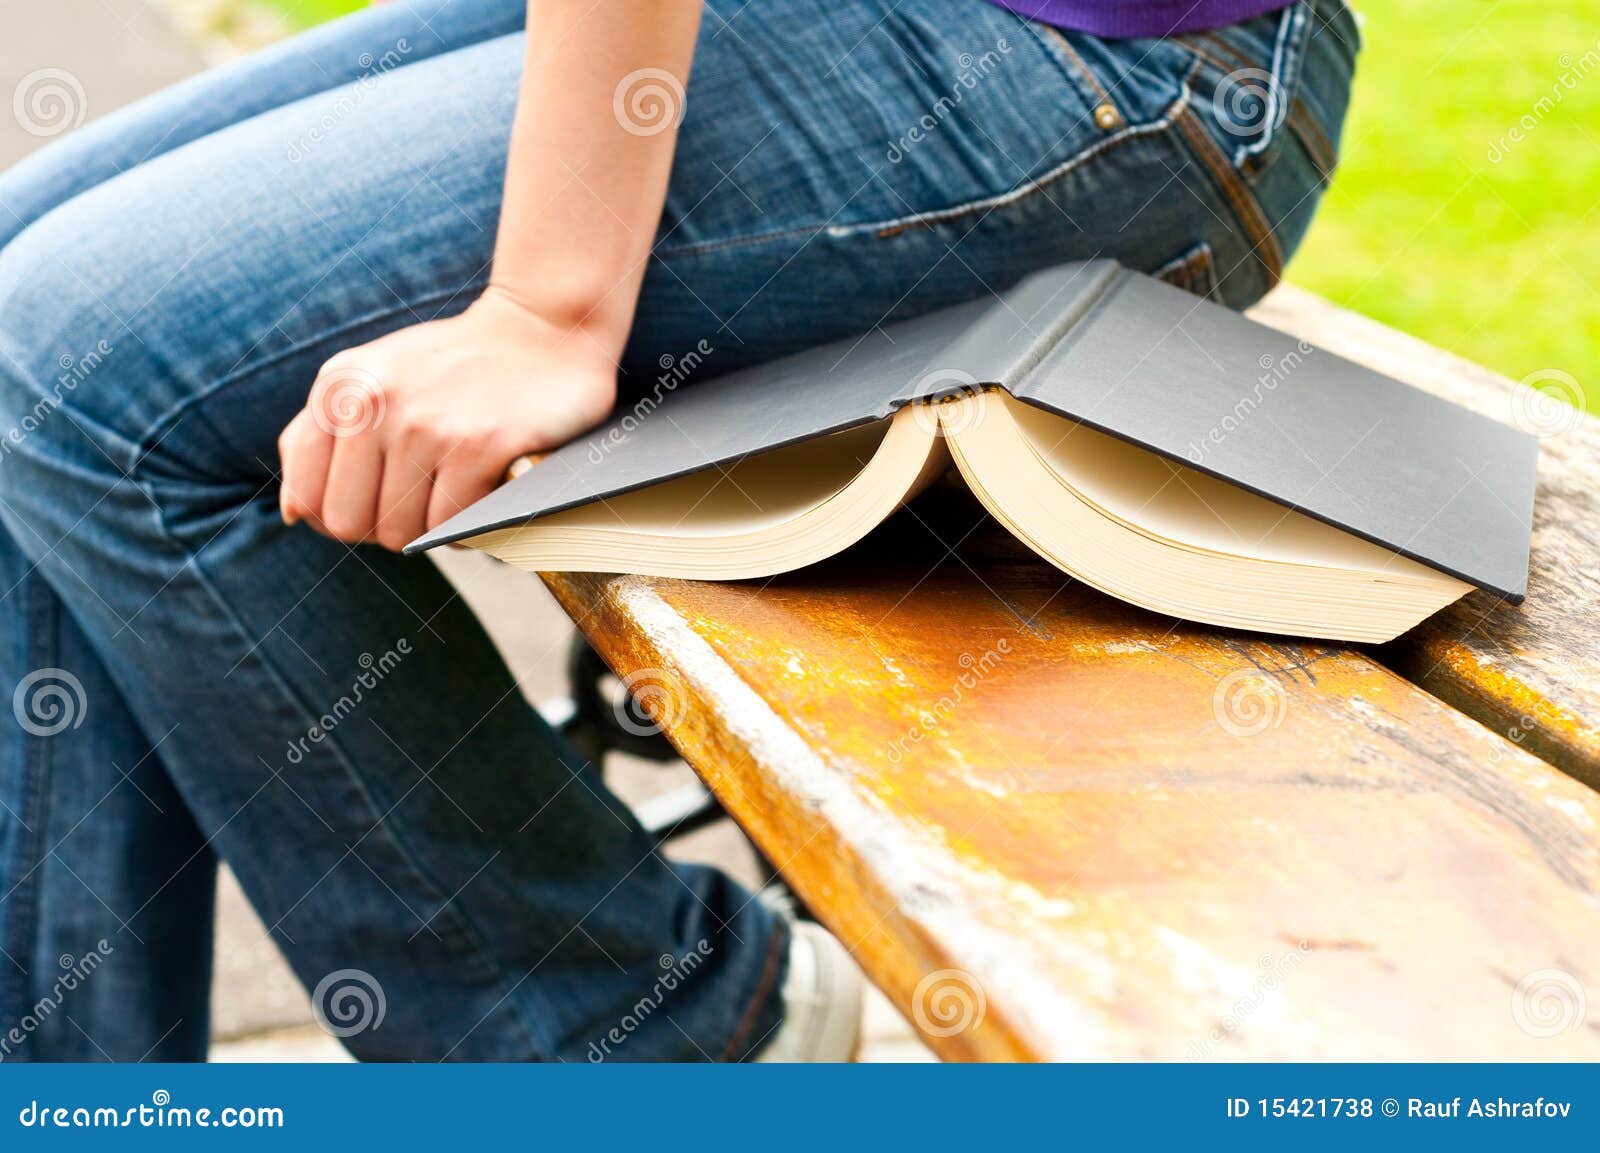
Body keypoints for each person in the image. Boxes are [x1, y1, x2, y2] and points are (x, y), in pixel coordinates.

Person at [0, 0, 1358, 1061]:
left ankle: (636, 1037)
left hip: (1115, 73)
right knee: (23, 287)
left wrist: (549, 309)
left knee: (77, 366)